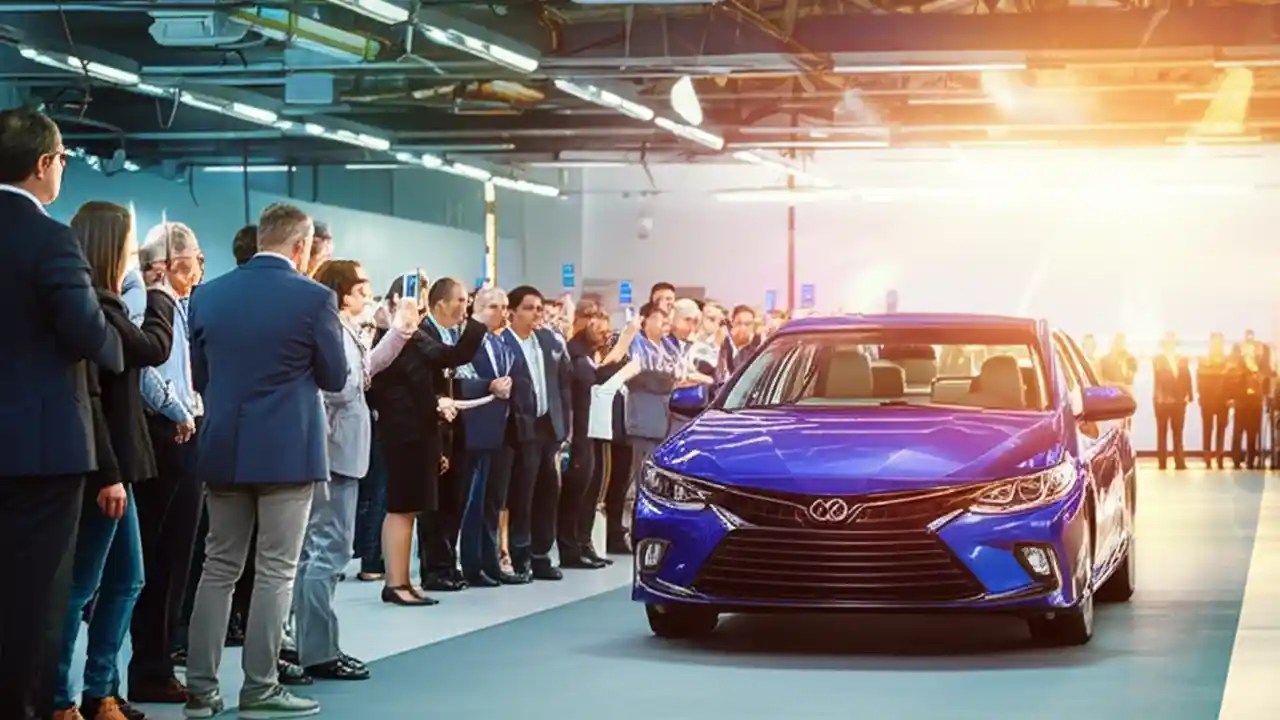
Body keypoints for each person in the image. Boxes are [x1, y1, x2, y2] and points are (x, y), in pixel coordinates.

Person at [183, 202, 347, 718]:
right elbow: (335, 376)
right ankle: (260, 687)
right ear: (301, 247)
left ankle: (200, 691)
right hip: (286, 452)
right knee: (276, 571)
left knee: (218, 568)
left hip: (224, 446)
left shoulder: (207, 295)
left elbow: (201, 376)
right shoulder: (315, 298)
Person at [0, 108, 124, 720]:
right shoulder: (50, 238)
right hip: (41, 447)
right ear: (44, 163)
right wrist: (109, 328)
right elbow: (89, 335)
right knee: (37, 602)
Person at [55, 201, 177, 720]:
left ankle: (99, 691)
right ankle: (61, 698)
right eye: (129, 247)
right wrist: (161, 294)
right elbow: (148, 351)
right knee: (80, 586)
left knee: (127, 580)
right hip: (103, 470)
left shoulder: (102, 307)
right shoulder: (97, 311)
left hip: (116, 468)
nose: (135, 257)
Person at [293, 260, 417, 681]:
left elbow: (361, 374)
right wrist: (371, 346)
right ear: (344, 293)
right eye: (363, 290)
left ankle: (312, 643)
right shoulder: (334, 332)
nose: (369, 297)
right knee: (326, 553)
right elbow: (343, 385)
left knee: (322, 552)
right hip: (334, 454)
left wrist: (398, 332)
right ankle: (318, 649)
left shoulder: (345, 332)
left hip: (342, 451)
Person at [367, 276, 486, 606]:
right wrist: (480, 324)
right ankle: (396, 582)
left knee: (408, 507)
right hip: (404, 431)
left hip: (419, 429)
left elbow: (443, 363)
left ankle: (402, 579)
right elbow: (451, 357)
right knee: (402, 507)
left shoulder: (413, 336)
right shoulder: (401, 337)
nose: (413, 309)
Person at [503, 285, 574, 581]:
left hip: (549, 425)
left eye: (539, 308)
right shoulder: (504, 342)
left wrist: (565, 426)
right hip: (521, 427)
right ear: (513, 312)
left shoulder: (547, 340)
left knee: (549, 490)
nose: (536, 314)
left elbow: (562, 384)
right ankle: (520, 554)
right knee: (523, 492)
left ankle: (542, 553)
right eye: (529, 308)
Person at [1152, 333, 1192, 471]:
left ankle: (1179, 461)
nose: (1170, 345)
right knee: (1162, 432)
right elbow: (1159, 380)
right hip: (1163, 402)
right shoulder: (1158, 359)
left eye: (1172, 343)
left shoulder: (1182, 359)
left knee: (1178, 432)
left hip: (1179, 401)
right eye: (1168, 343)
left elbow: (1187, 377)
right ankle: (1162, 462)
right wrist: (1160, 397)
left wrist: (1189, 395)